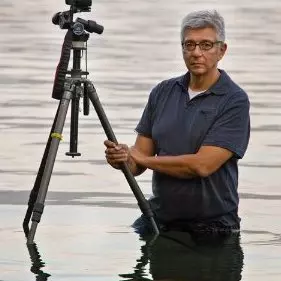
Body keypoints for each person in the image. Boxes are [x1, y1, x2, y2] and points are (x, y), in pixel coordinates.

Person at [104, 9, 250, 236]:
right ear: (182, 48)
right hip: (159, 218)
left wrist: (140, 157)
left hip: (213, 226)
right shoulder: (162, 92)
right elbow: (137, 164)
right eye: (189, 45)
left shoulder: (234, 100)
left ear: (221, 50)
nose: (197, 53)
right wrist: (123, 159)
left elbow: (202, 165)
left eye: (206, 45)